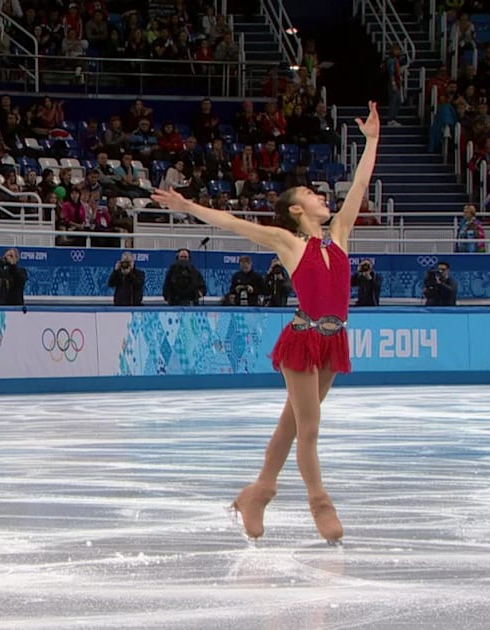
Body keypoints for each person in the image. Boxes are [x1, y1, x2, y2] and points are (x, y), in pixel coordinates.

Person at [151, 101, 381, 544]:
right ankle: (320, 503)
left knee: (290, 426)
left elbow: (360, 185)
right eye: (312, 196)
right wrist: (186, 205)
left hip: (333, 343)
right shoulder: (289, 243)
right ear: (296, 210)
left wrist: (371, 141)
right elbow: (233, 223)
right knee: (309, 428)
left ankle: (259, 491)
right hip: (303, 340)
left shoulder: (341, 236)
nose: (321, 197)